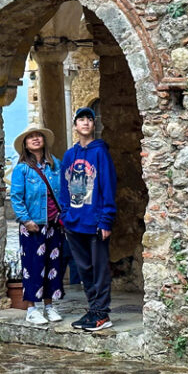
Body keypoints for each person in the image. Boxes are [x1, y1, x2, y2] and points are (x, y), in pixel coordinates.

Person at [59, 107, 117, 332]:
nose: (85, 123)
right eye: (81, 119)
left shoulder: (100, 152)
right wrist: (65, 216)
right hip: (74, 222)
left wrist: (106, 220)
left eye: (89, 119)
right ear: (75, 126)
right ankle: (93, 309)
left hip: (94, 222)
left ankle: (102, 314)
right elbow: (63, 187)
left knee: (99, 269)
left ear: (94, 125)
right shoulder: (69, 155)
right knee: (84, 269)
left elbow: (108, 186)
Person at [9, 124, 66, 326]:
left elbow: (63, 191)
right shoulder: (22, 169)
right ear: (25, 143)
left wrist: (63, 216)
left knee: (53, 266)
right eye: (30, 137)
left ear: (44, 141)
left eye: (38, 136)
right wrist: (26, 220)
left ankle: (49, 306)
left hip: (53, 223)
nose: (35, 139)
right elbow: (16, 197)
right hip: (33, 224)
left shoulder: (55, 165)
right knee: (33, 267)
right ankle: (32, 308)